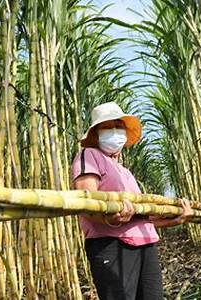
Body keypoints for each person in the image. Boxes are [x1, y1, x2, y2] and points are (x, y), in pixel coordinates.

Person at [71, 102, 194, 300]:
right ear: (95, 134)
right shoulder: (89, 155)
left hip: (147, 246)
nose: (114, 131)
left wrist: (175, 220)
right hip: (112, 245)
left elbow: (141, 219)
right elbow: (86, 202)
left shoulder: (125, 171)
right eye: (107, 127)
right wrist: (111, 218)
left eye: (118, 126)